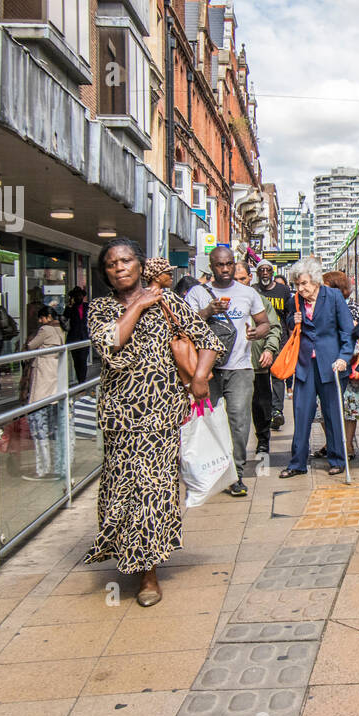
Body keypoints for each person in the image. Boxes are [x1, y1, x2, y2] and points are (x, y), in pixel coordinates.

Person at [83, 237, 223, 607]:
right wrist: (138, 305)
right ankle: (127, 550)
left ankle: (149, 573)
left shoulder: (168, 302)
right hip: (120, 417)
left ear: (140, 264)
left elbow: (209, 340)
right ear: (106, 273)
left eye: (126, 260)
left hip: (161, 415)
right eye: (112, 264)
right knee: (120, 491)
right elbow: (111, 341)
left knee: (154, 491)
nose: (119, 268)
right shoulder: (99, 309)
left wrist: (199, 378)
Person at [185, 246, 272, 497]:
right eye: (219, 265)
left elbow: (264, 322)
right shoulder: (197, 293)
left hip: (240, 367)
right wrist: (207, 312)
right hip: (207, 370)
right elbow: (185, 327)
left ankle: (236, 474)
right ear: (211, 267)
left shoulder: (247, 293)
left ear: (234, 265)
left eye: (229, 264)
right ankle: (210, 471)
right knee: (207, 422)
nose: (225, 269)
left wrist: (259, 332)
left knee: (238, 421)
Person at [280, 258, 353, 478]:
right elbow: (291, 329)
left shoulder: (333, 297)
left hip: (331, 364)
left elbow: (347, 331)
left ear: (315, 279)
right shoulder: (295, 301)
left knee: (332, 413)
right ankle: (297, 463)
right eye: (297, 285)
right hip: (305, 363)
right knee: (302, 414)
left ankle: (337, 459)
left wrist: (344, 357)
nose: (301, 289)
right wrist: (294, 321)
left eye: (304, 283)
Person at [315, 271, 359, 460]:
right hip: (327, 364)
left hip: (349, 363)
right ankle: (332, 442)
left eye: (325, 286)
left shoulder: (353, 307)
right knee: (324, 409)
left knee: (349, 409)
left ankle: (347, 445)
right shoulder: (319, 305)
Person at [236, 263, 283, 456]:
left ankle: (263, 441)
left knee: (261, 406)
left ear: (249, 278)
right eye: (235, 279)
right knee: (236, 408)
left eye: (242, 279)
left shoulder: (260, 300)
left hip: (257, 365)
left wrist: (270, 350)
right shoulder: (223, 300)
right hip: (232, 366)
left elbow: (273, 327)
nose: (239, 283)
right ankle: (235, 449)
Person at [24, 305, 67, 481]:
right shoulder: (61, 329)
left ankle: (42, 468)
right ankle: (58, 467)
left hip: (43, 379)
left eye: (41, 318)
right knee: (54, 427)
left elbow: (30, 345)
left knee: (38, 421)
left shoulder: (45, 329)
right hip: (56, 379)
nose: (40, 321)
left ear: (46, 317)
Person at [255, 261, 291, 429]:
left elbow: (288, 315)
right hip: (258, 341)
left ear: (272, 272)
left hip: (280, 339)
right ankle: (266, 410)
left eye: (267, 270)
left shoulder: (283, 291)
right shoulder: (253, 290)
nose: (264, 273)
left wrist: (291, 341)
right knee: (261, 378)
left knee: (277, 377)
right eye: (261, 270)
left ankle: (277, 411)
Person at [63, 287, 90, 385]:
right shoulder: (70, 308)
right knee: (76, 361)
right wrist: (69, 305)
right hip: (74, 338)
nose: (78, 297)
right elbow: (64, 319)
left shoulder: (88, 306)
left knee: (83, 360)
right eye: (76, 296)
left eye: (80, 295)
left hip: (85, 337)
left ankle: (82, 381)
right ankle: (80, 380)